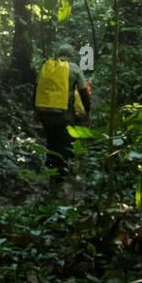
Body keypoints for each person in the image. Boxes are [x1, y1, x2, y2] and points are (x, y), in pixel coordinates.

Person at [34, 43, 91, 180]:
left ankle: (50, 170)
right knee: (63, 142)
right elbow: (83, 93)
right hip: (64, 114)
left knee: (51, 140)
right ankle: (61, 174)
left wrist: (35, 110)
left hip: (44, 112)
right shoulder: (75, 69)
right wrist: (87, 112)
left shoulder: (46, 67)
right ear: (72, 55)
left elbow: (35, 90)